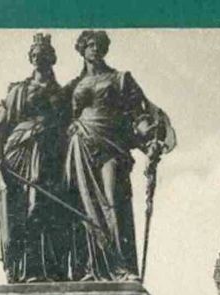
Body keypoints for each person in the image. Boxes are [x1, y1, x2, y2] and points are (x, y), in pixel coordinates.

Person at [63, 30, 175, 281]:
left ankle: (120, 267)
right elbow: (61, 119)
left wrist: (150, 140)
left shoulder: (120, 79)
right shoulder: (73, 87)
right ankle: (90, 269)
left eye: (99, 45)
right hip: (80, 145)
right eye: (89, 45)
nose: (94, 49)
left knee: (113, 202)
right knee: (83, 207)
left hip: (111, 144)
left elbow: (140, 114)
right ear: (81, 49)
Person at [0, 33, 70, 282]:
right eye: (34, 55)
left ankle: (49, 270)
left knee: (47, 209)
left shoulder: (64, 94)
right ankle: (24, 270)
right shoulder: (18, 90)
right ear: (30, 59)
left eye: (43, 55)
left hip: (51, 157)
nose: (38, 59)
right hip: (19, 155)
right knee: (21, 211)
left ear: (51, 59)